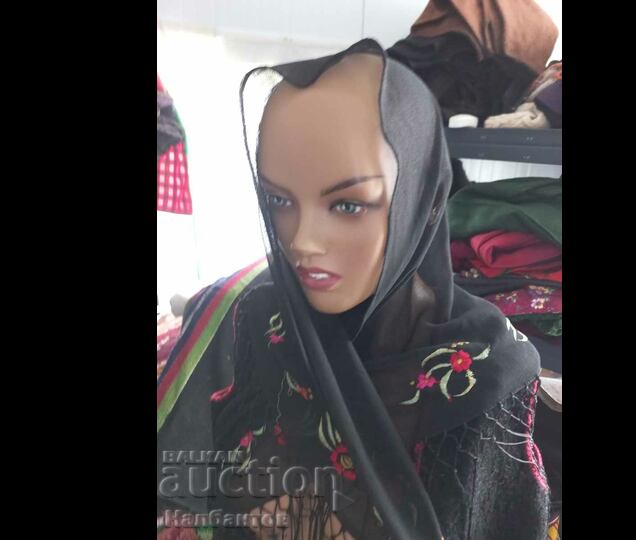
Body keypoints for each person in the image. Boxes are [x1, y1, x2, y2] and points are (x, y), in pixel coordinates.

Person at [157, 39, 549, 540]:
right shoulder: (266, 319)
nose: (302, 241)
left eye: (347, 205)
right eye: (278, 200)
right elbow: (230, 480)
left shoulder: (485, 370)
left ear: (421, 199)